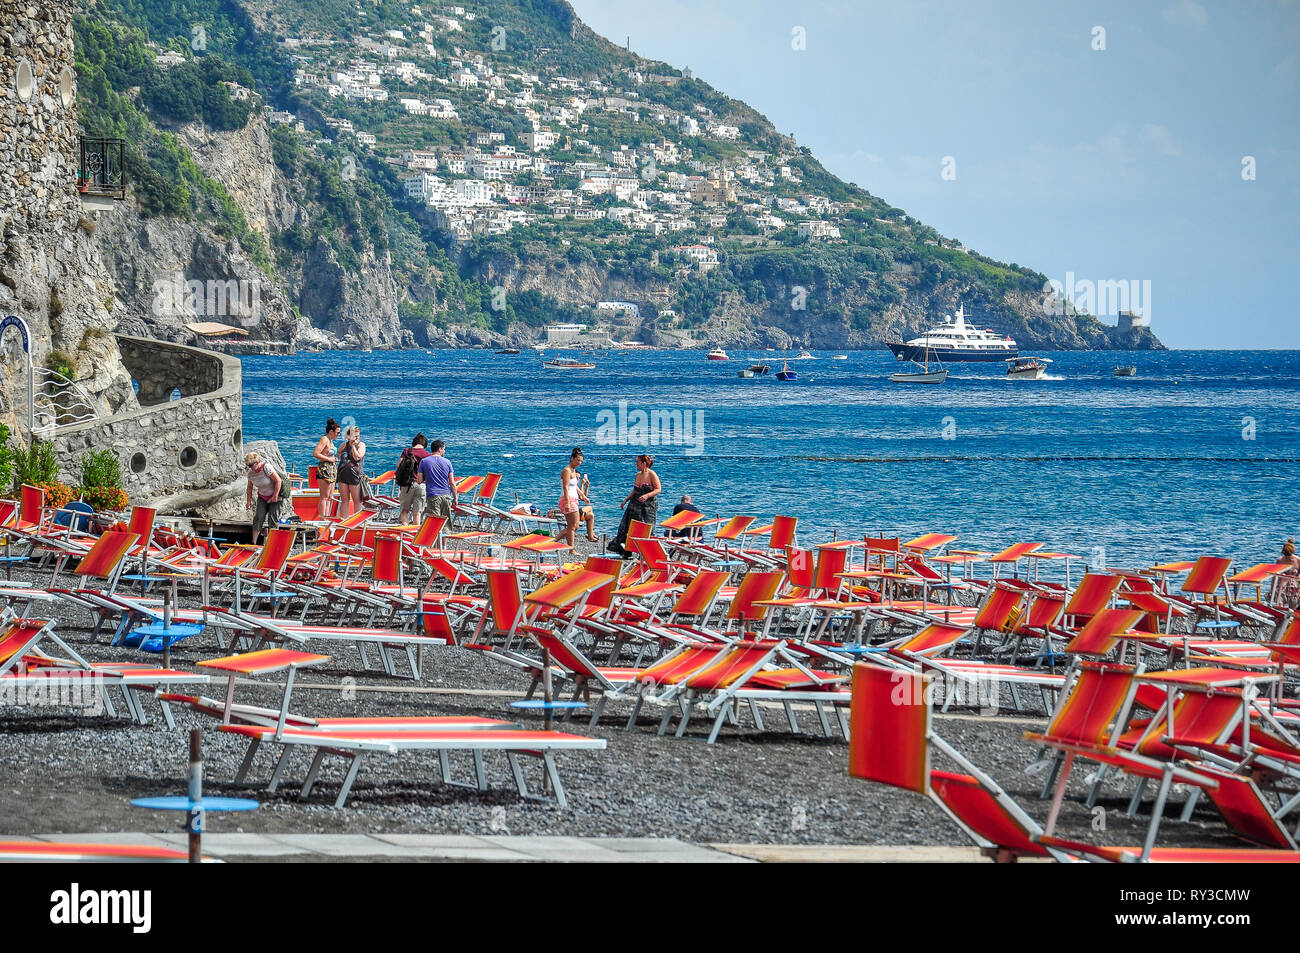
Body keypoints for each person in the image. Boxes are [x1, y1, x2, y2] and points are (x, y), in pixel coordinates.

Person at [610, 454, 661, 557]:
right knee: (629, 526)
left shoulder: (652, 474)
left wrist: (647, 495)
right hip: (635, 503)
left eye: (637, 462)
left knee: (646, 527)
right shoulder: (638, 475)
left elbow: (658, 489)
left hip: (648, 506)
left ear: (644, 463)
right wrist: (625, 500)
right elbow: (635, 490)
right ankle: (626, 551)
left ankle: (646, 552)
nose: (636, 464)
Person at [559, 447, 599, 546]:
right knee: (573, 526)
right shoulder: (567, 470)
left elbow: (574, 486)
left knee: (574, 526)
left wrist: (582, 496)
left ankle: (557, 541)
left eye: (581, 461)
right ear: (572, 458)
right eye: (578, 460)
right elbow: (565, 486)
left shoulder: (573, 470)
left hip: (573, 499)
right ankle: (571, 549)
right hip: (567, 499)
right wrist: (568, 502)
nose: (579, 463)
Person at [244, 451, 283, 545]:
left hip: (275, 496)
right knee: (258, 518)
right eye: (248, 466)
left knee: (273, 519)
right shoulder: (251, 473)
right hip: (262, 496)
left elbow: (278, 481)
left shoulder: (266, 467)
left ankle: (272, 543)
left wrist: (275, 496)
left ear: (257, 463)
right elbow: (249, 487)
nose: (250, 468)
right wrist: (248, 502)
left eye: (251, 465)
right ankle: (253, 541)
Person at [396, 433, 432, 524]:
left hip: (407, 484)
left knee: (405, 511)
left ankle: (405, 530)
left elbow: (398, 465)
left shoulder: (407, 451)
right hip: (421, 484)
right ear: (425, 444)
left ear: (414, 442)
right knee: (417, 512)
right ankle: (415, 534)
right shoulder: (427, 454)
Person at [418, 439, 457, 520]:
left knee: (434, 521)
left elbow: (419, 480)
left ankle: (436, 533)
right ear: (440, 449)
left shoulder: (424, 461)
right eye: (444, 449)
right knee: (446, 521)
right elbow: (452, 482)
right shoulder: (447, 462)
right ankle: (446, 533)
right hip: (446, 495)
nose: (444, 451)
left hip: (433, 494)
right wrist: (455, 497)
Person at [335, 424, 367, 518]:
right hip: (343, 473)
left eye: (358, 436)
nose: (357, 438)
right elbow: (339, 452)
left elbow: (357, 457)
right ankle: (343, 520)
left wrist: (353, 447)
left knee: (357, 500)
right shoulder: (344, 444)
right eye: (355, 436)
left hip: (355, 474)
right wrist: (342, 458)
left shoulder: (361, 445)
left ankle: (356, 521)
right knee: (345, 500)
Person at [313, 418, 341, 519]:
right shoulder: (324, 439)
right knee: (324, 496)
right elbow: (316, 453)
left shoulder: (331, 441)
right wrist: (329, 459)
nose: (338, 435)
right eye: (337, 433)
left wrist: (334, 459)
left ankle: (327, 517)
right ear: (331, 431)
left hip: (332, 470)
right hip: (324, 469)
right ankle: (322, 517)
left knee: (329, 497)